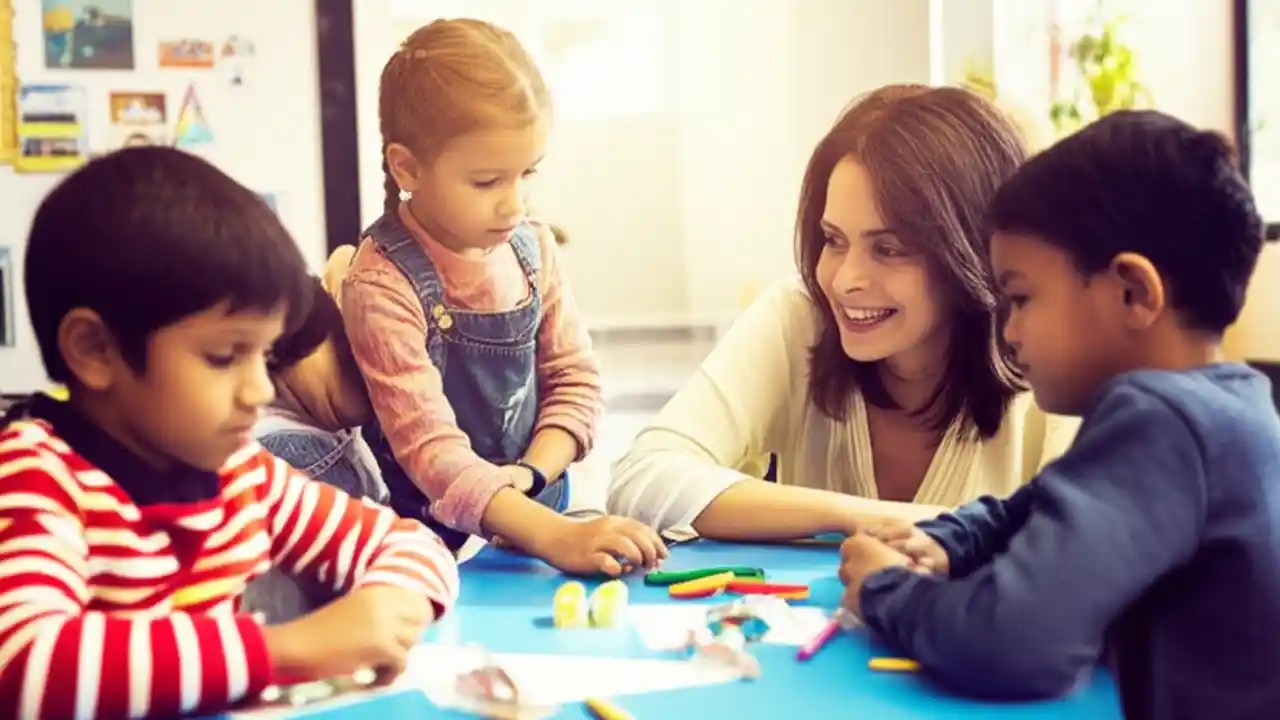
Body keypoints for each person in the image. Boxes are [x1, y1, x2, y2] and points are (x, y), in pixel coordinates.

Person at [838, 111, 1280, 718]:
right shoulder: (1230, 403)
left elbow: (1013, 642)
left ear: (1132, 292)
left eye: (1021, 298)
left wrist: (886, 588)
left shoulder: (1161, 420)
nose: (1011, 331)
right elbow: (1036, 510)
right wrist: (943, 542)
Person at [0, 147, 459, 719]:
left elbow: (410, 543)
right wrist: (285, 650)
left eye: (263, 355)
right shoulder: (40, 476)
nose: (259, 391)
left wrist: (390, 602)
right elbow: (24, 665)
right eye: (223, 356)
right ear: (96, 350)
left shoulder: (240, 473)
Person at [609, 85, 1077, 541]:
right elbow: (643, 476)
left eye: (889, 249)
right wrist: (865, 518)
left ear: (969, 252)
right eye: (834, 240)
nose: (844, 279)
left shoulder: (1053, 358)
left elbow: (1079, 543)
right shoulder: (798, 318)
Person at [342, 18, 665, 575]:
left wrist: (533, 476)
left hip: (543, 513)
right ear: (407, 167)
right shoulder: (380, 282)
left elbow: (576, 382)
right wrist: (554, 536)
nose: (514, 205)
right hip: (427, 540)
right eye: (487, 182)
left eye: (527, 174)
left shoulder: (534, 248)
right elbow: (432, 453)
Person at [240, 247, 388, 623]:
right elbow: (374, 561)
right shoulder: (292, 452)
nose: (365, 364)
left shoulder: (328, 424)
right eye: (345, 341)